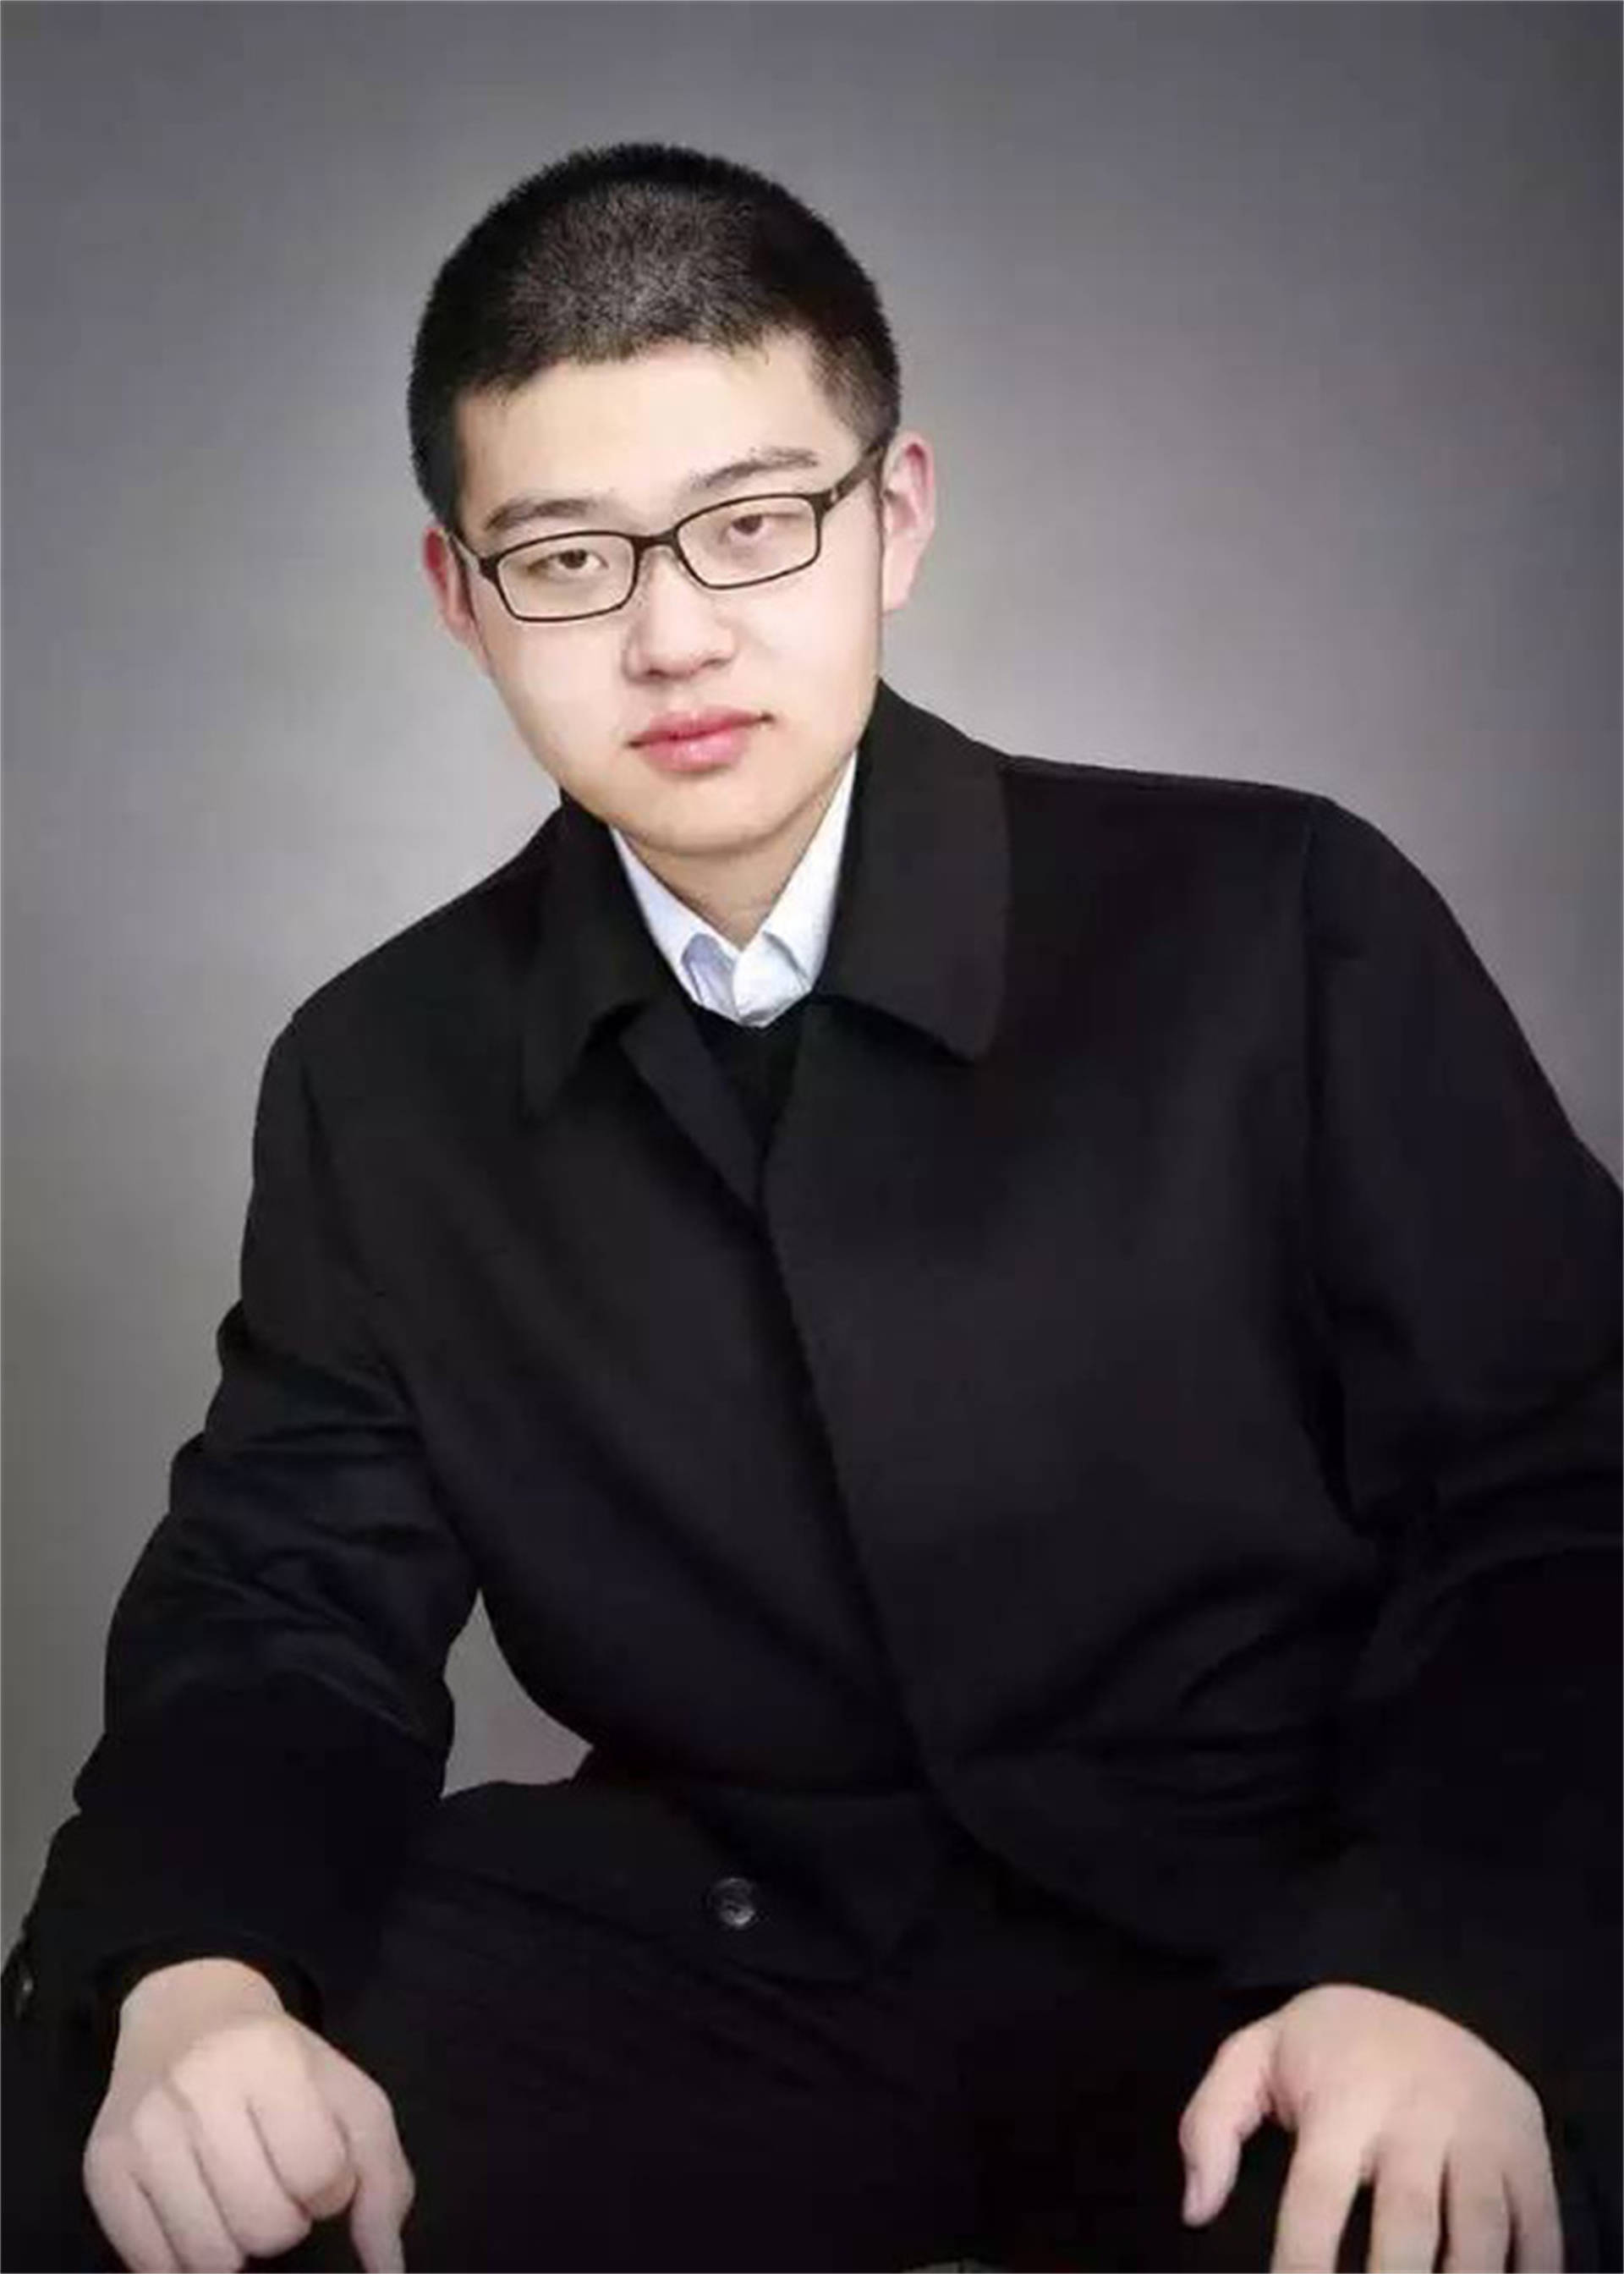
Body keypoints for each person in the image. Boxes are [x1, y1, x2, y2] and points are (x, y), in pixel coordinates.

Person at [3, 140, 1617, 2274]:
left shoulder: (1275, 916)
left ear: (897, 517)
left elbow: (1562, 1495)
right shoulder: (379, 1071)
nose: (675, 633)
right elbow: (286, 1607)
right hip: (732, 1947)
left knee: (1448, 2200)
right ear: (459, 600)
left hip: (1285, 1926)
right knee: (136, 2146)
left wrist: (1449, 1961)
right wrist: (194, 1973)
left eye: (757, 524)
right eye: (566, 557)